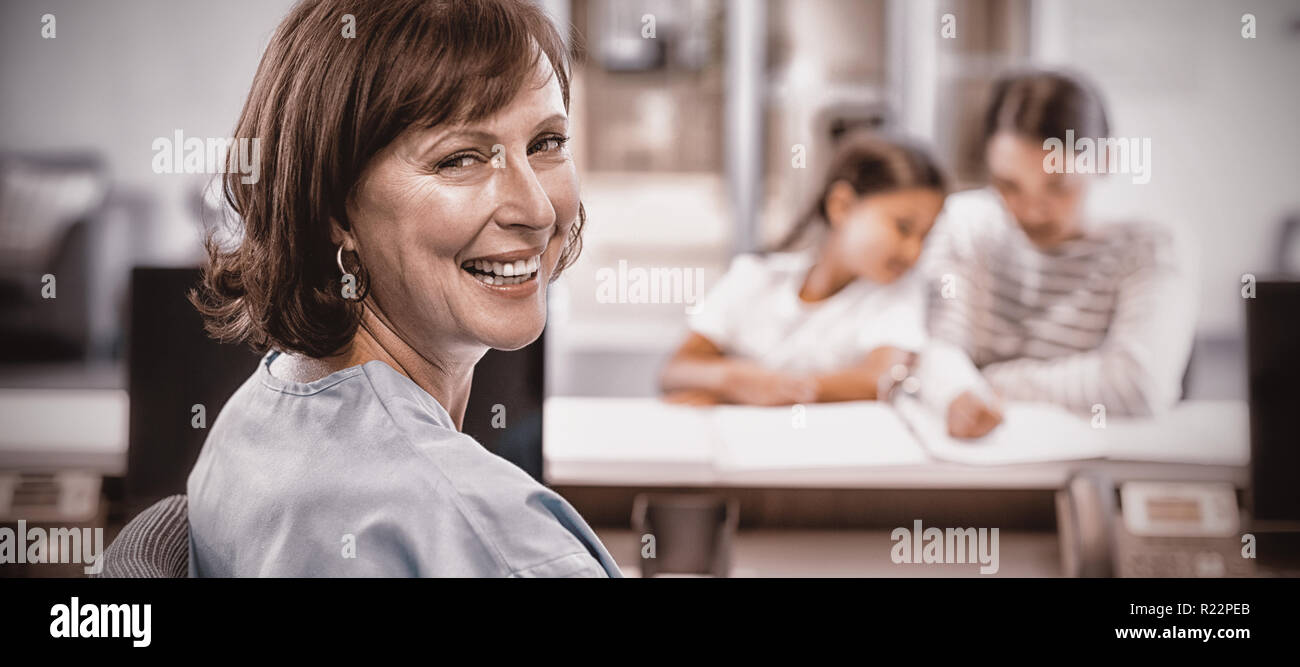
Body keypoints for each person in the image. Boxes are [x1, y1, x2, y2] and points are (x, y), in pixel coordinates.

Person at [186, 0, 620, 577]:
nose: (537, 211)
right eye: (460, 159)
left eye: (546, 144)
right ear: (335, 210)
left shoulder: (254, 421)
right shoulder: (501, 541)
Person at [916, 69, 1197, 439]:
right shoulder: (965, 225)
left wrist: (983, 382)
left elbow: (1140, 386)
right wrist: (957, 386)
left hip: (1094, 454)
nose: (1032, 212)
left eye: (1059, 186)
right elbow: (936, 349)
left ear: (1105, 160)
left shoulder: (1150, 244)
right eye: (1009, 185)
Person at [659, 132, 948, 406]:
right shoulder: (755, 277)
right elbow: (676, 371)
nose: (914, 252)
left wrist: (766, 391)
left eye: (925, 236)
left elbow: (881, 379)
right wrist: (734, 381)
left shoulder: (897, 293)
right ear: (841, 206)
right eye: (903, 228)